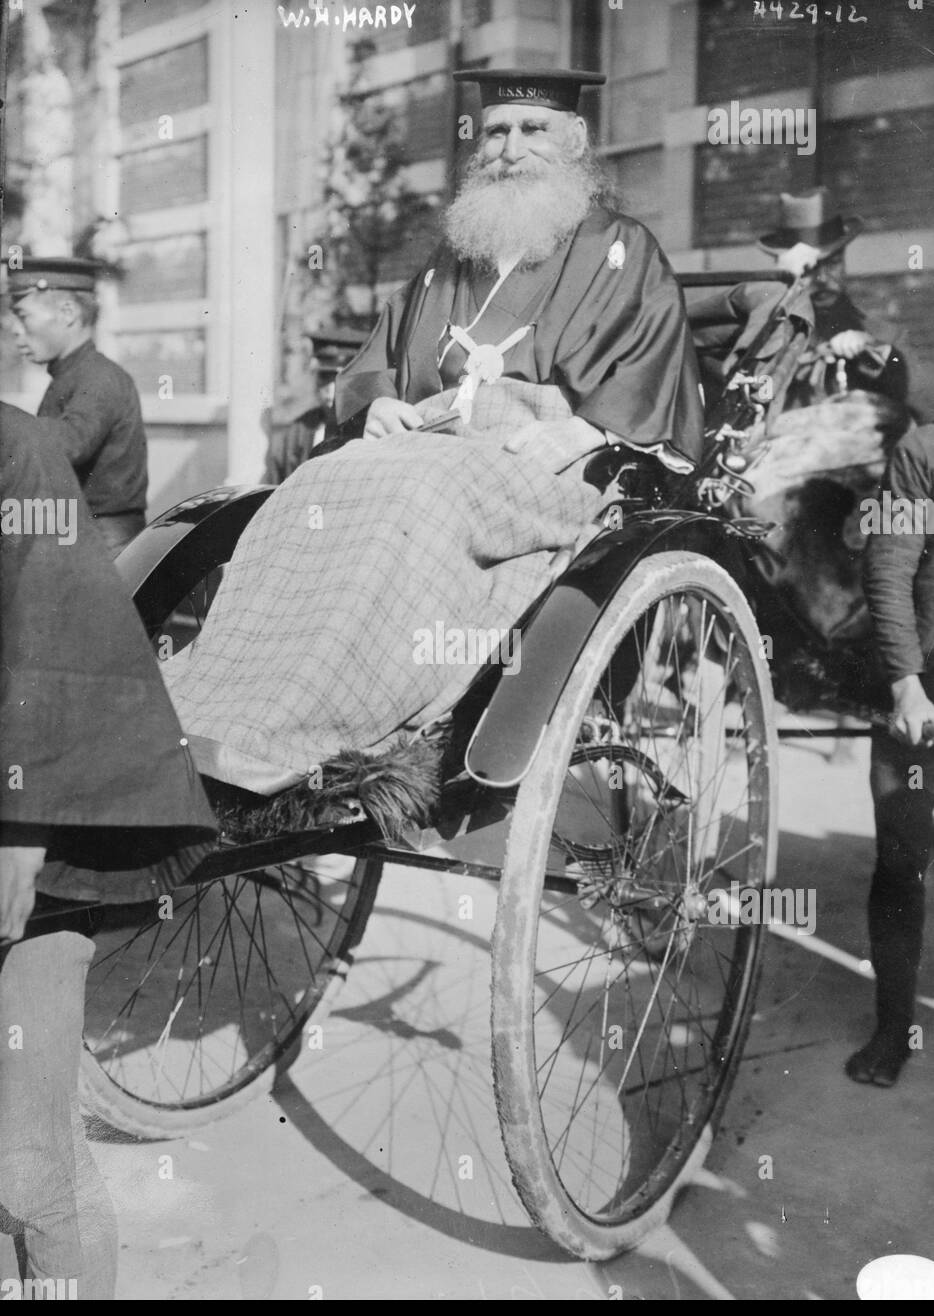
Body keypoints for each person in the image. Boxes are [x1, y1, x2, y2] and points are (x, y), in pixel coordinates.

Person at [159, 67, 704, 802]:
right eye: (497, 130)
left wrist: (584, 427)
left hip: (556, 463)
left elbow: (647, 366)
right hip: (440, 443)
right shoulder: (454, 255)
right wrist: (378, 405)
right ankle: (219, 707)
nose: (511, 147)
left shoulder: (622, 249)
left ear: (576, 139)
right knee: (316, 480)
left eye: (533, 129)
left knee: (416, 490)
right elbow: (381, 360)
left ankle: (317, 724)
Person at [0, 401, 217, 1296]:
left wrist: (20, 835)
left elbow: (58, 645)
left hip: (39, 844)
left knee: (27, 1167)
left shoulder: (17, 450)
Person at [855, 421, 934, 1085]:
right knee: (901, 860)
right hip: (924, 692)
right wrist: (906, 685)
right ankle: (893, 1026)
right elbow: (889, 566)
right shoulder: (922, 453)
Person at [7, 256, 149, 559]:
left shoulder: (99, 377)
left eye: (23, 315)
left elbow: (70, 444)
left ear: (68, 312)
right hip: (81, 533)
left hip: (104, 546)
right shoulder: (70, 374)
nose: (14, 329)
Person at [757, 187, 909, 410]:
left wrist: (878, 351)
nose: (822, 278)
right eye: (809, 269)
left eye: (834, 263)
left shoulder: (885, 336)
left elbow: (927, 407)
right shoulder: (761, 340)